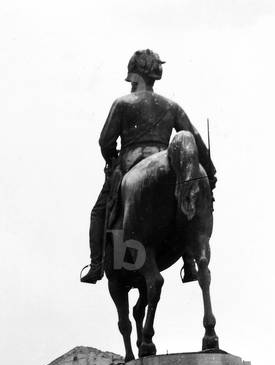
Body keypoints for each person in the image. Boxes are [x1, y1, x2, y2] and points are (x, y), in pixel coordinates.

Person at [80, 49, 217, 284]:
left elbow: (105, 141)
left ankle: (96, 265)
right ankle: (189, 261)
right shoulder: (172, 106)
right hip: (166, 158)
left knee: (98, 212)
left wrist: (111, 157)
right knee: (182, 192)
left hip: (130, 162)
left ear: (135, 77)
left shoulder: (122, 103)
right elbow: (195, 139)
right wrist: (210, 173)